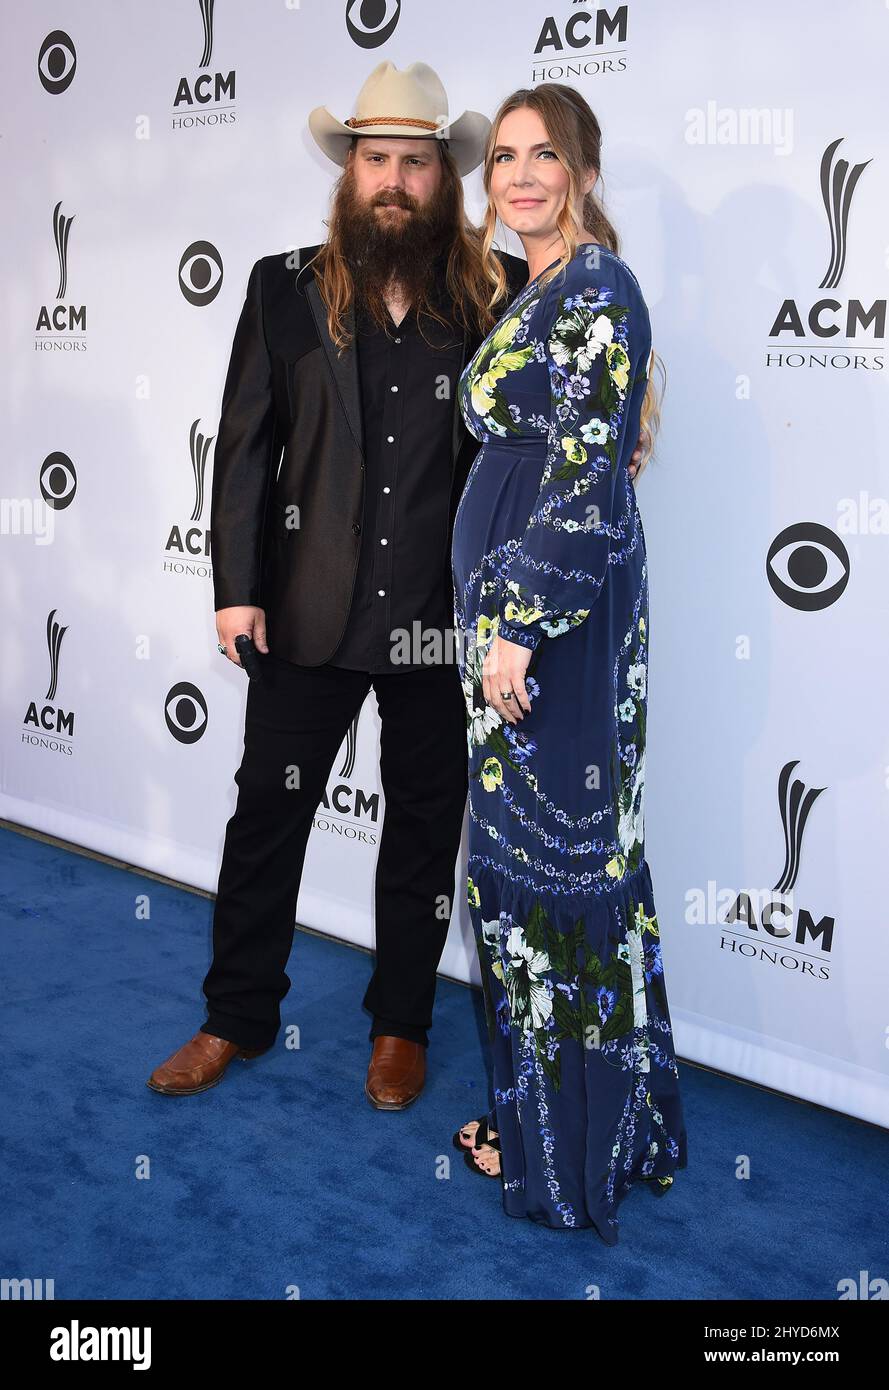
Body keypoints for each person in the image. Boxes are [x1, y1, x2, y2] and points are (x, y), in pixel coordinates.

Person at [146, 62, 646, 1113]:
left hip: (440, 618)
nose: (393, 179)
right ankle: (234, 1015)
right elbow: (245, 446)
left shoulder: (497, 290)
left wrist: (632, 418)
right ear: (348, 172)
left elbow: (576, 389)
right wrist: (236, 585)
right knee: (264, 821)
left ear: (442, 178)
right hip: (306, 608)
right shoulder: (282, 285)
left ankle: (400, 1025)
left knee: (424, 827)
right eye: (375, 158)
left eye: (415, 162)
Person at [450, 83, 687, 1241]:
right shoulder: (541, 286)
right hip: (525, 634)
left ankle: (563, 1154)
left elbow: (588, 488)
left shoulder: (596, 286)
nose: (520, 176)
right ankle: (600, 1124)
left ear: (583, 172)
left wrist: (519, 626)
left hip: (552, 639)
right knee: (549, 874)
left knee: (556, 877)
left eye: (544, 155)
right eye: (501, 159)